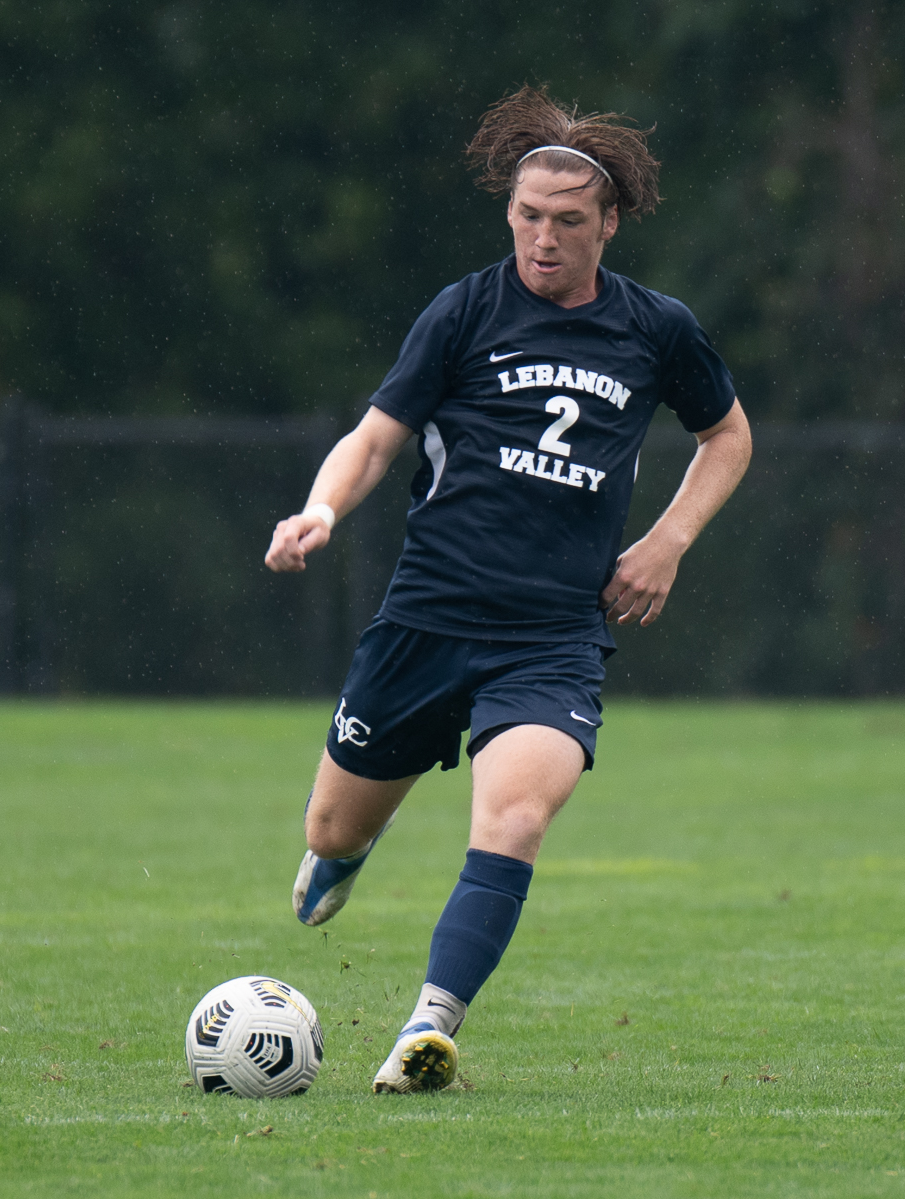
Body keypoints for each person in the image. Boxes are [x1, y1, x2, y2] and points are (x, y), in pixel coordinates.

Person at [263, 86, 750, 1094]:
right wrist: (320, 509)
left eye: (569, 221)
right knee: (330, 830)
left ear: (608, 224)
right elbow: (378, 436)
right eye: (529, 216)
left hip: (550, 637)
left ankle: (429, 1026)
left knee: (517, 817)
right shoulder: (465, 310)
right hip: (425, 619)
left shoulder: (657, 329)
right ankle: (353, 844)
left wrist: (667, 541)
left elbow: (729, 436)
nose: (544, 237)